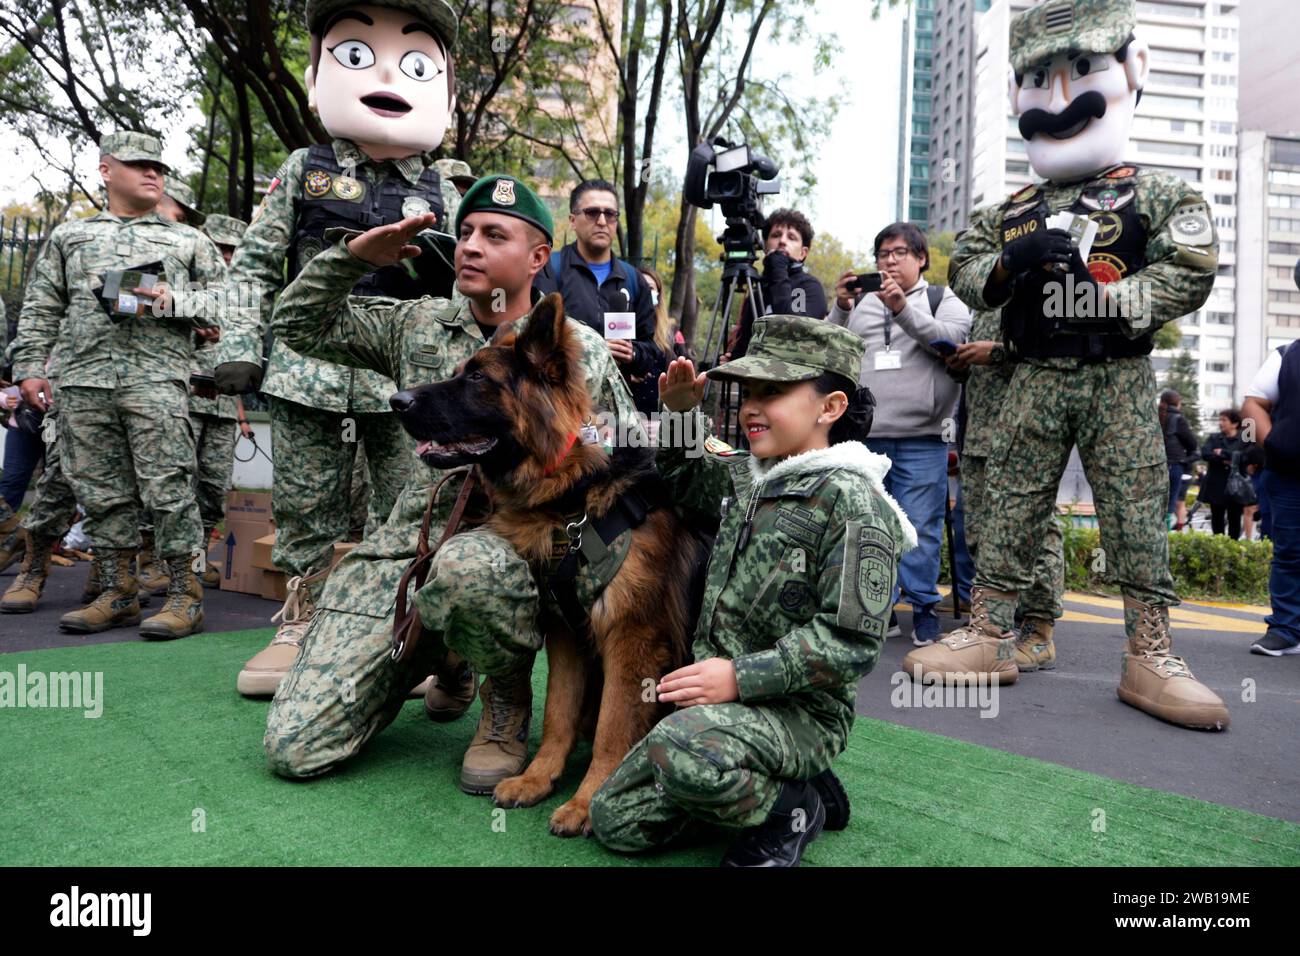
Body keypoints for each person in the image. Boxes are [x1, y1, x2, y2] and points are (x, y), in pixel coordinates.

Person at [262, 175, 643, 794]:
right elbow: (298, 328)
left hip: (509, 557)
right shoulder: (416, 324)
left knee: (471, 572)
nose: (470, 246)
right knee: (294, 747)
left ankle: (505, 700)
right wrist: (353, 257)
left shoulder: (583, 354)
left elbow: (623, 459)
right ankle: (446, 658)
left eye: (494, 235)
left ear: (538, 257)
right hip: (406, 555)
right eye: (465, 233)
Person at [907, 0, 1229, 731]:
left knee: (1135, 510)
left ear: (1129, 70)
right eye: (1040, 78)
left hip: (1116, 373)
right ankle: (990, 633)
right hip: (1034, 374)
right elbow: (962, 270)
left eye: (1080, 71)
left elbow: (1194, 268)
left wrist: (1111, 298)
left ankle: (1151, 652)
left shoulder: (1160, 191)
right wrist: (1009, 263)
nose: (1059, 97)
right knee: (1009, 503)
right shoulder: (1012, 207)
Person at [588, 315, 915, 867]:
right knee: (614, 819)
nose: (752, 407)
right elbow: (686, 476)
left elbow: (852, 641)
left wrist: (740, 677)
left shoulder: (854, 501)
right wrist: (682, 413)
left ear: (830, 407)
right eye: (748, 393)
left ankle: (795, 802)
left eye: (775, 392)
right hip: (718, 704)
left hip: (799, 709)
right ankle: (764, 771)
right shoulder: (752, 473)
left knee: (684, 751)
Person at [217, 0, 460, 697]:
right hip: (310, 370)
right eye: (357, 53)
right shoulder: (304, 168)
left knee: (407, 512)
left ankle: (398, 630)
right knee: (306, 508)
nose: (386, 73)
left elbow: (470, 287)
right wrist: (241, 344)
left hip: (403, 381)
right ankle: (301, 621)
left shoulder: (448, 185)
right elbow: (257, 264)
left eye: (415, 62)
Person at [7, 131, 225, 637]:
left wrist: (165, 298)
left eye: (158, 166)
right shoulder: (70, 237)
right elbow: (42, 306)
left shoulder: (188, 239)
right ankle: (118, 592)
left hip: (156, 382)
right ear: (106, 170)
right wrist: (30, 369)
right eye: (138, 164)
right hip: (82, 382)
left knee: (169, 492)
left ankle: (183, 597)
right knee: (103, 496)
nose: (153, 173)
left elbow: (230, 303)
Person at [827, 221, 971, 645]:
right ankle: (880, 608)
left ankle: (924, 607)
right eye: (883, 254)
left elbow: (953, 340)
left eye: (900, 253)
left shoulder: (944, 300)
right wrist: (840, 306)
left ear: (921, 258)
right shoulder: (862, 304)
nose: (889, 261)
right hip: (866, 440)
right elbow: (829, 350)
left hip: (923, 437)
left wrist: (902, 310)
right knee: (870, 528)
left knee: (920, 527)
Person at [944, 309, 1065, 668]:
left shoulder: (1044, 286)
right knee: (982, 536)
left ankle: (1039, 632)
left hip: (1026, 433)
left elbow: (1057, 354)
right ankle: (989, 627)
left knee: (1036, 535)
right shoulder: (984, 302)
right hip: (979, 435)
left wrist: (995, 352)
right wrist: (960, 362)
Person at [533, 179, 661, 415]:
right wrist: (596, 349)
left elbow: (651, 350)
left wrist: (634, 354)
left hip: (618, 414)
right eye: (592, 213)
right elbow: (535, 341)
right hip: (562, 410)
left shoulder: (634, 279)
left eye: (610, 214)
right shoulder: (551, 269)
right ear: (573, 220)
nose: (602, 221)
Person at [1242, 338, 1300, 656]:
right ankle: (1285, 630)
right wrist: (1273, 443)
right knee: (1290, 553)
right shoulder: (1286, 355)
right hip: (1289, 474)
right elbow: (1253, 403)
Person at [725, 208, 829, 360]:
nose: (782, 241)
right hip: (756, 380)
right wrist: (733, 359)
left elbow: (794, 332)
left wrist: (778, 268)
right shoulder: (757, 292)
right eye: (776, 235)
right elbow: (746, 346)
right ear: (766, 246)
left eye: (792, 237)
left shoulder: (809, 286)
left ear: (803, 253)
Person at [1199, 408, 1247, 540]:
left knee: (1235, 519)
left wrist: (1223, 453)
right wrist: (1229, 460)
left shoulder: (1244, 438)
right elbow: (1206, 454)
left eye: (1224, 420)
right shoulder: (1214, 438)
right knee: (1217, 518)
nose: (1220, 423)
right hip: (1217, 484)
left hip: (1236, 485)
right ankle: (1218, 547)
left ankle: (1233, 548)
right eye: (1220, 419)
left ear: (1235, 423)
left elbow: (1246, 457)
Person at [1160, 389, 1197, 530]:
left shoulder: (1155, 416)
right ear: (1178, 403)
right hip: (1174, 465)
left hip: (1156, 465)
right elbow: (1192, 444)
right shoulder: (1178, 419)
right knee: (1171, 503)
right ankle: (1167, 535)